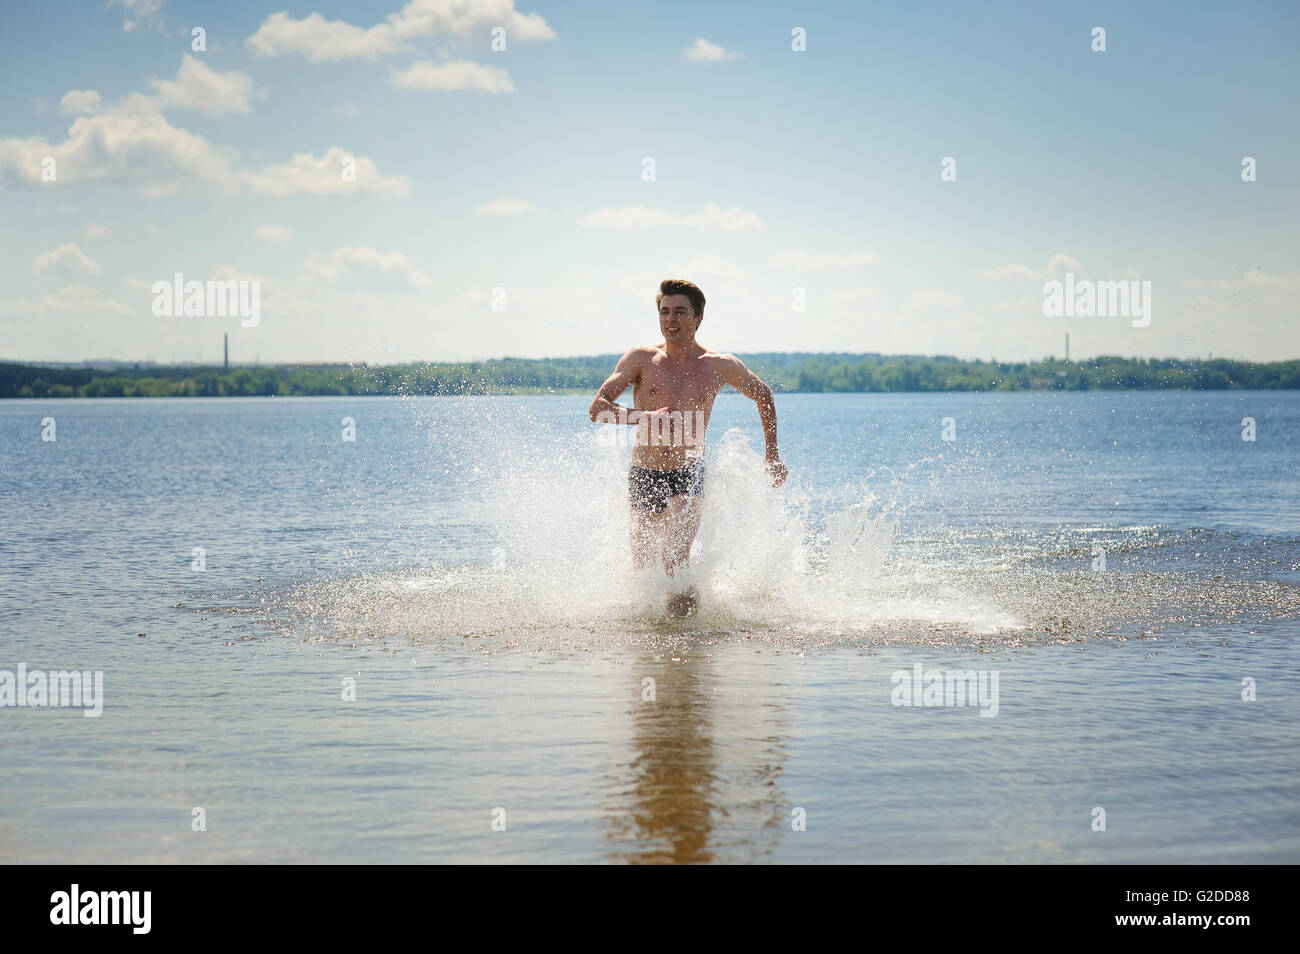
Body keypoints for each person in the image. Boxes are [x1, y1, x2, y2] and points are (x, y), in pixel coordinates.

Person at [588, 279, 788, 614]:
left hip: (688, 473)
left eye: (680, 311)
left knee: (674, 561)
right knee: (645, 569)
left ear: (698, 318)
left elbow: (763, 395)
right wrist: (643, 417)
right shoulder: (641, 359)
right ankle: (657, 645)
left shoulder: (716, 364)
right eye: (665, 311)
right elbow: (598, 410)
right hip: (644, 473)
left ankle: (689, 643)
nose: (671, 319)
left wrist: (772, 454)